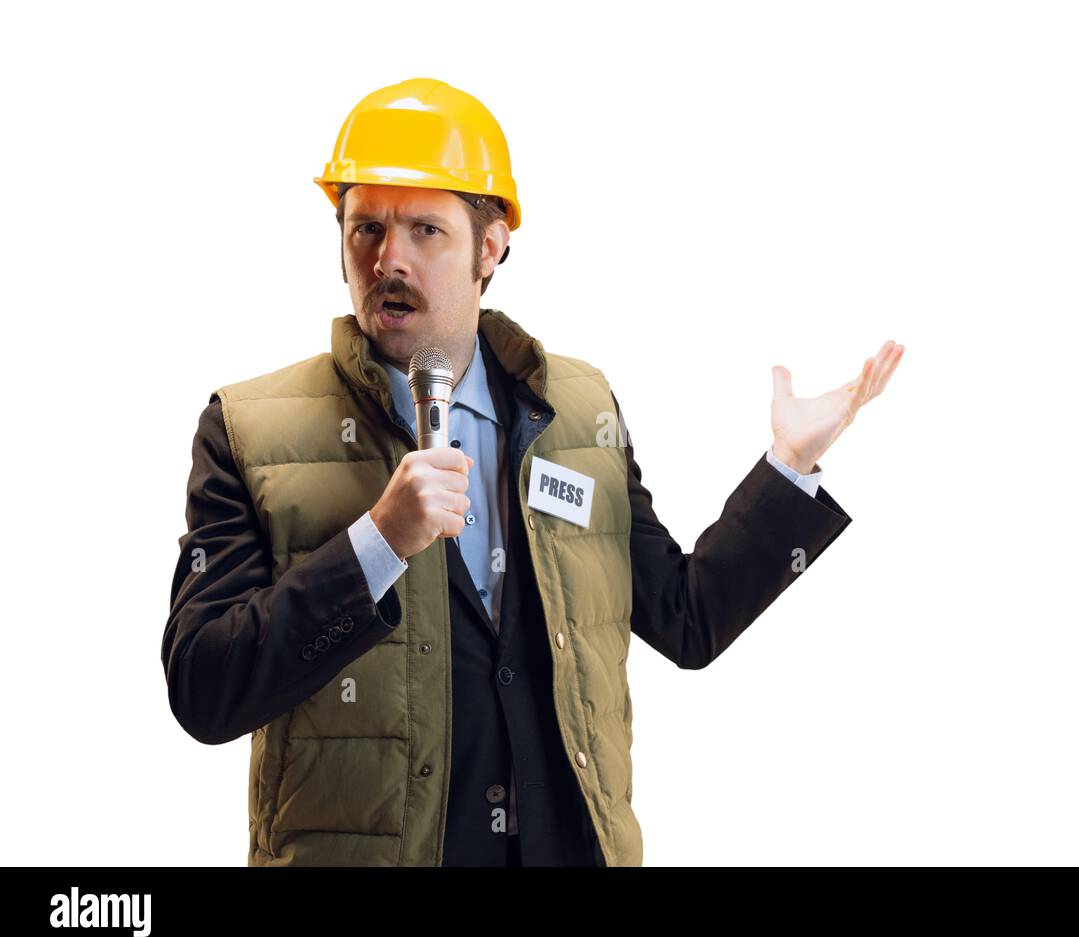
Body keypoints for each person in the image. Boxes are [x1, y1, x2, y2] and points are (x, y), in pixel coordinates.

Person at [161, 77, 904, 867]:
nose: (388, 259)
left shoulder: (581, 412)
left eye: (425, 230)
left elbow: (686, 619)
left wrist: (788, 469)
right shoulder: (250, 429)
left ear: (491, 246)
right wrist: (378, 542)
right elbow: (206, 688)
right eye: (366, 227)